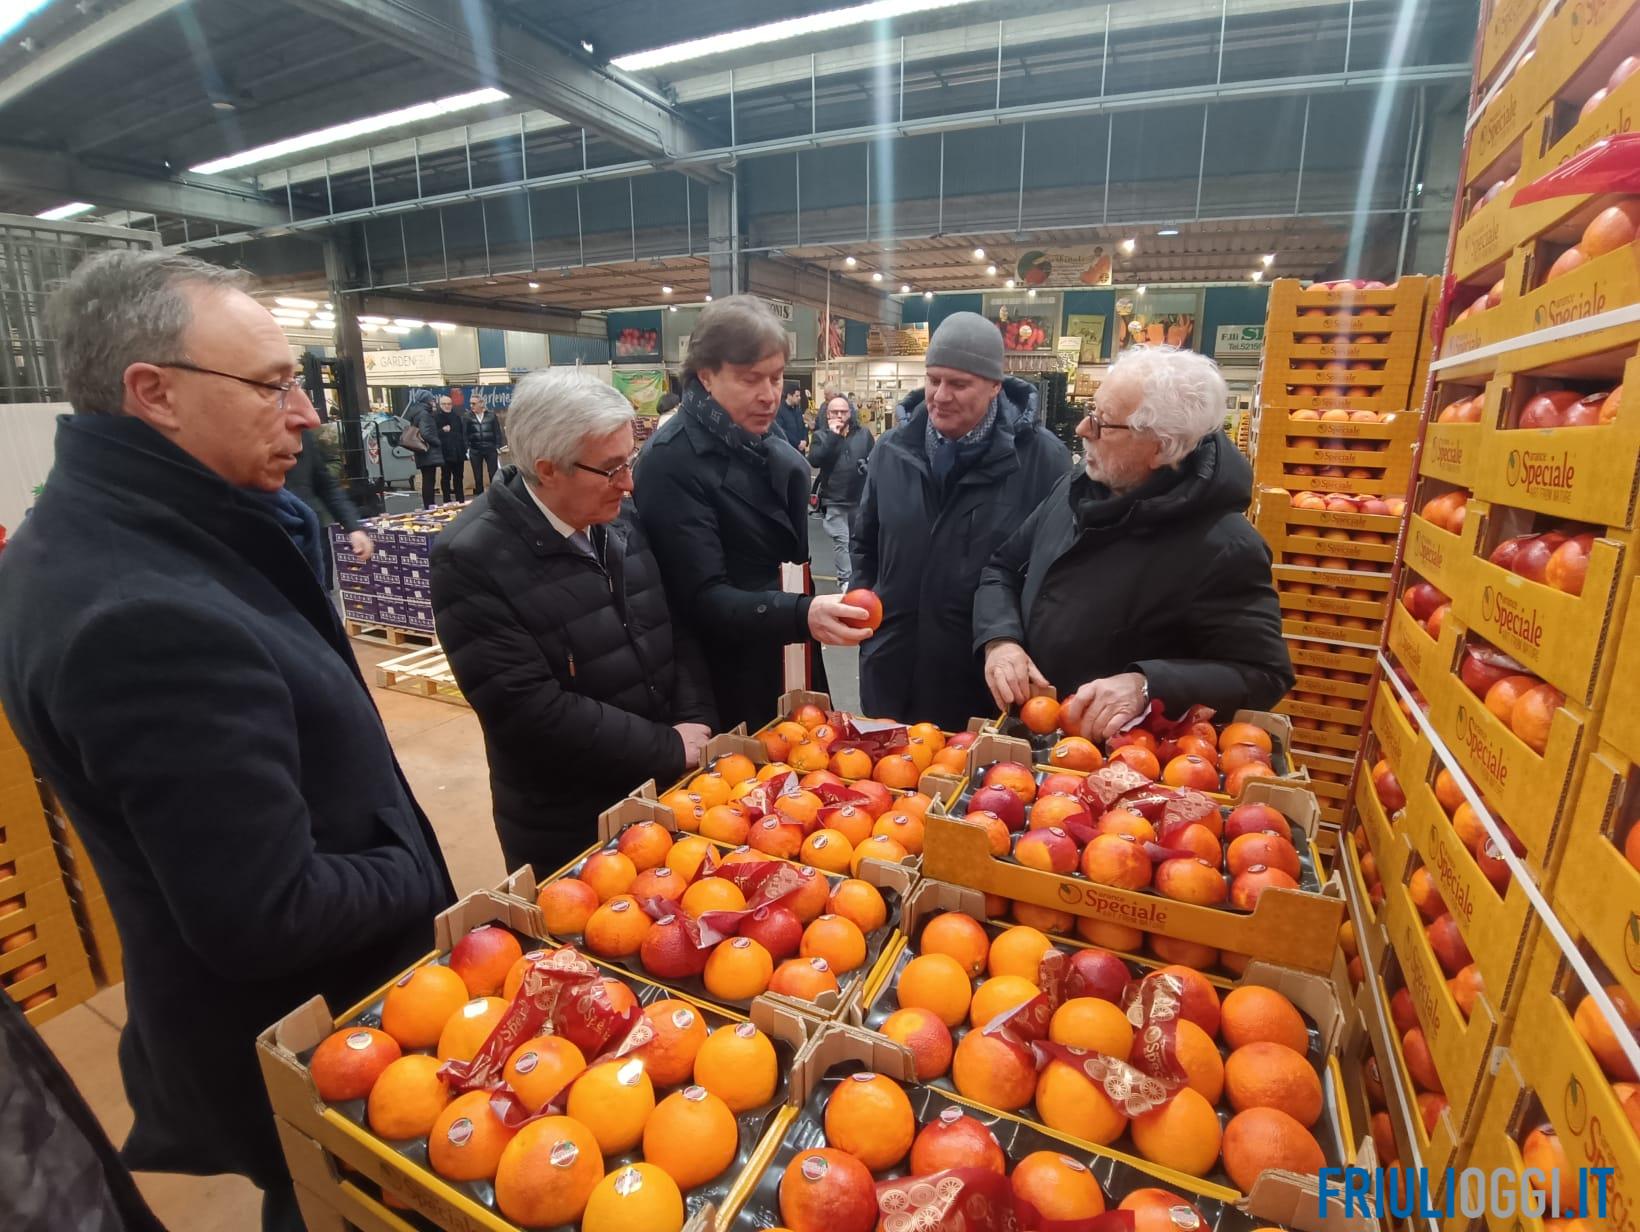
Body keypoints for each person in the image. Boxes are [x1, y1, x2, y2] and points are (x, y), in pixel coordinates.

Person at [0, 250, 454, 1232]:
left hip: (299, 1024)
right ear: (152, 392)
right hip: (303, 1037)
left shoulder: (146, 534)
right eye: (271, 384)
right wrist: (416, 873)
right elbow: (265, 911)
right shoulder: (140, 609)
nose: (306, 414)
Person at [431, 370, 717, 875]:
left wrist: (693, 722)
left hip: (665, 787)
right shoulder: (472, 558)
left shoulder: (617, 519)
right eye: (612, 469)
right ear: (548, 470)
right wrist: (667, 747)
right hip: (570, 822)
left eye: (630, 461)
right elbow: (528, 712)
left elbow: (675, 628)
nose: (629, 484)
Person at [974, 346, 1293, 740]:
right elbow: (1002, 569)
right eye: (1092, 412)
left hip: (1128, 767)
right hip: (1037, 743)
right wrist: (1000, 639)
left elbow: (1264, 674)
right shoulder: (1076, 488)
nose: (1082, 430)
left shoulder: (1224, 547)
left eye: (1104, 423)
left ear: (1160, 447)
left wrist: (1148, 685)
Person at [634, 295, 871, 731]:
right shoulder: (670, 463)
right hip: (726, 681)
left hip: (790, 660)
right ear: (706, 376)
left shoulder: (763, 442)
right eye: (750, 379)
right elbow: (699, 598)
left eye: (777, 378)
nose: (769, 396)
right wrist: (802, 614)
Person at [851, 311, 1069, 730]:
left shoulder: (1042, 460)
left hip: (977, 680)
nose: (940, 395)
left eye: (959, 383)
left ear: (994, 387)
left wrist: (1009, 642)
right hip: (891, 668)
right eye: (933, 380)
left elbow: (1049, 574)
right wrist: (867, 614)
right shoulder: (892, 450)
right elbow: (866, 542)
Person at [285, 425, 373, 589]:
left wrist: (353, 527)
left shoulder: (304, 437)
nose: (311, 417)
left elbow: (326, 485)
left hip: (308, 537)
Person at [806, 395, 874, 590]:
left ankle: (860, 579)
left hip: (859, 499)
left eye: (843, 411)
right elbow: (815, 460)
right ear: (827, 415)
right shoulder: (820, 436)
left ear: (850, 413)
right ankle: (845, 581)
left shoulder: (863, 434)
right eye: (834, 412)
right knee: (841, 541)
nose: (839, 415)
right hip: (834, 499)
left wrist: (867, 465)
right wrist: (833, 437)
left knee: (858, 542)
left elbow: (874, 456)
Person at [404, 390, 443, 507]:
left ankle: (428, 504)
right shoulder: (425, 414)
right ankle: (429, 505)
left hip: (422, 451)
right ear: (427, 401)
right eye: (432, 400)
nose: (434, 402)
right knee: (429, 480)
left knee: (428, 479)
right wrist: (437, 442)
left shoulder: (417, 412)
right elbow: (426, 433)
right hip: (428, 451)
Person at [463, 391, 506, 493]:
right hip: (475, 450)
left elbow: (497, 432)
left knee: (493, 475)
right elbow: (464, 434)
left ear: (481, 403)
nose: (471, 406)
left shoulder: (491, 415)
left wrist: (497, 446)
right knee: (478, 477)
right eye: (470, 403)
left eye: (474, 403)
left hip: (490, 449)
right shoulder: (467, 416)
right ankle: (480, 498)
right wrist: (467, 449)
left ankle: (495, 496)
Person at [436, 392, 467, 503]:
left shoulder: (456, 417)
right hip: (445, 453)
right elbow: (433, 434)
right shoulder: (436, 417)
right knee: (445, 478)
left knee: (459, 478)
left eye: (449, 403)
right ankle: (447, 500)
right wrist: (442, 431)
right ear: (440, 405)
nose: (447, 406)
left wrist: (464, 449)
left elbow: (461, 433)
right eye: (444, 404)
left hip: (458, 452)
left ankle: (460, 500)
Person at [774, 383, 809, 453]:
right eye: (797, 396)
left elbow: (803, 426)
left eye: (799, 395)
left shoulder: (798, 410)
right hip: (788, 450)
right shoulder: (779, 411)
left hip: (801, 450)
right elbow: (781, 431)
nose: (799, 398)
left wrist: (805, 440)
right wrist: (797, 443)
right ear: (789, 396)